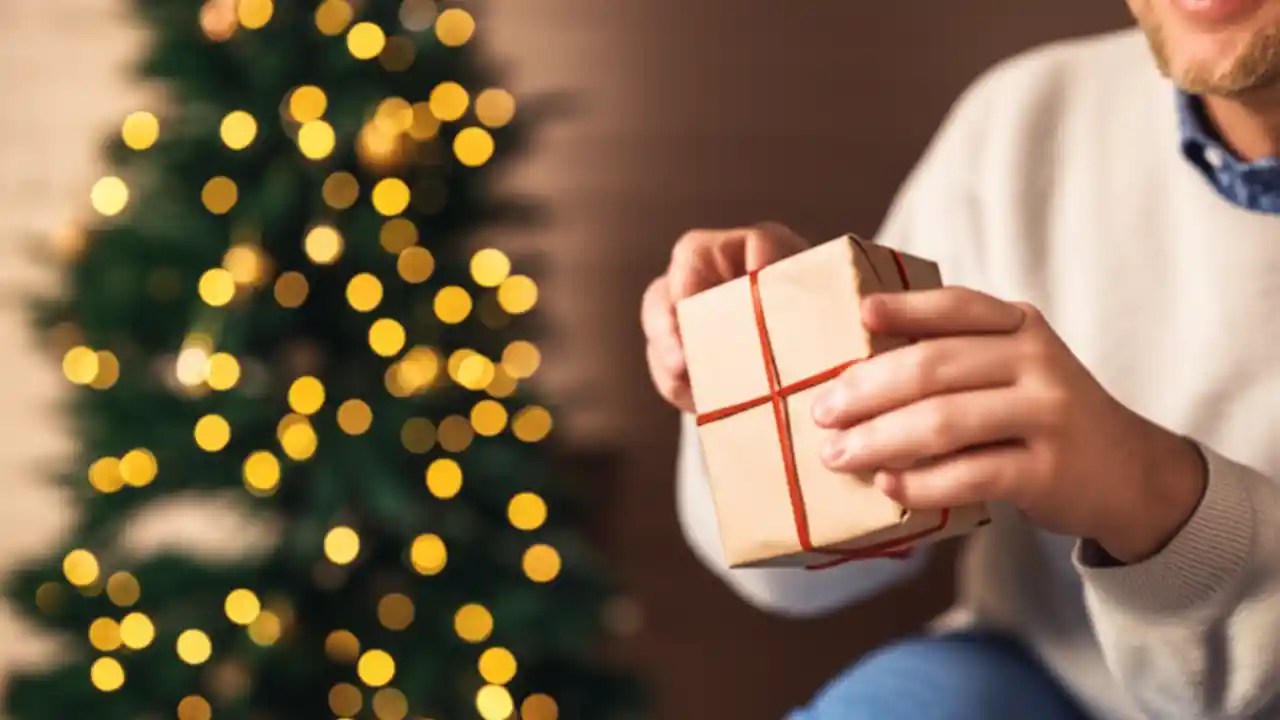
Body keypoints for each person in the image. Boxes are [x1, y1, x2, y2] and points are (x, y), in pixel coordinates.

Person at [640, 1, 1280, 718]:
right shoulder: (1026, 122)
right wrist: (784, 388)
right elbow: (795, 583)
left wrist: (1155, 497)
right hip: (1032, 677)